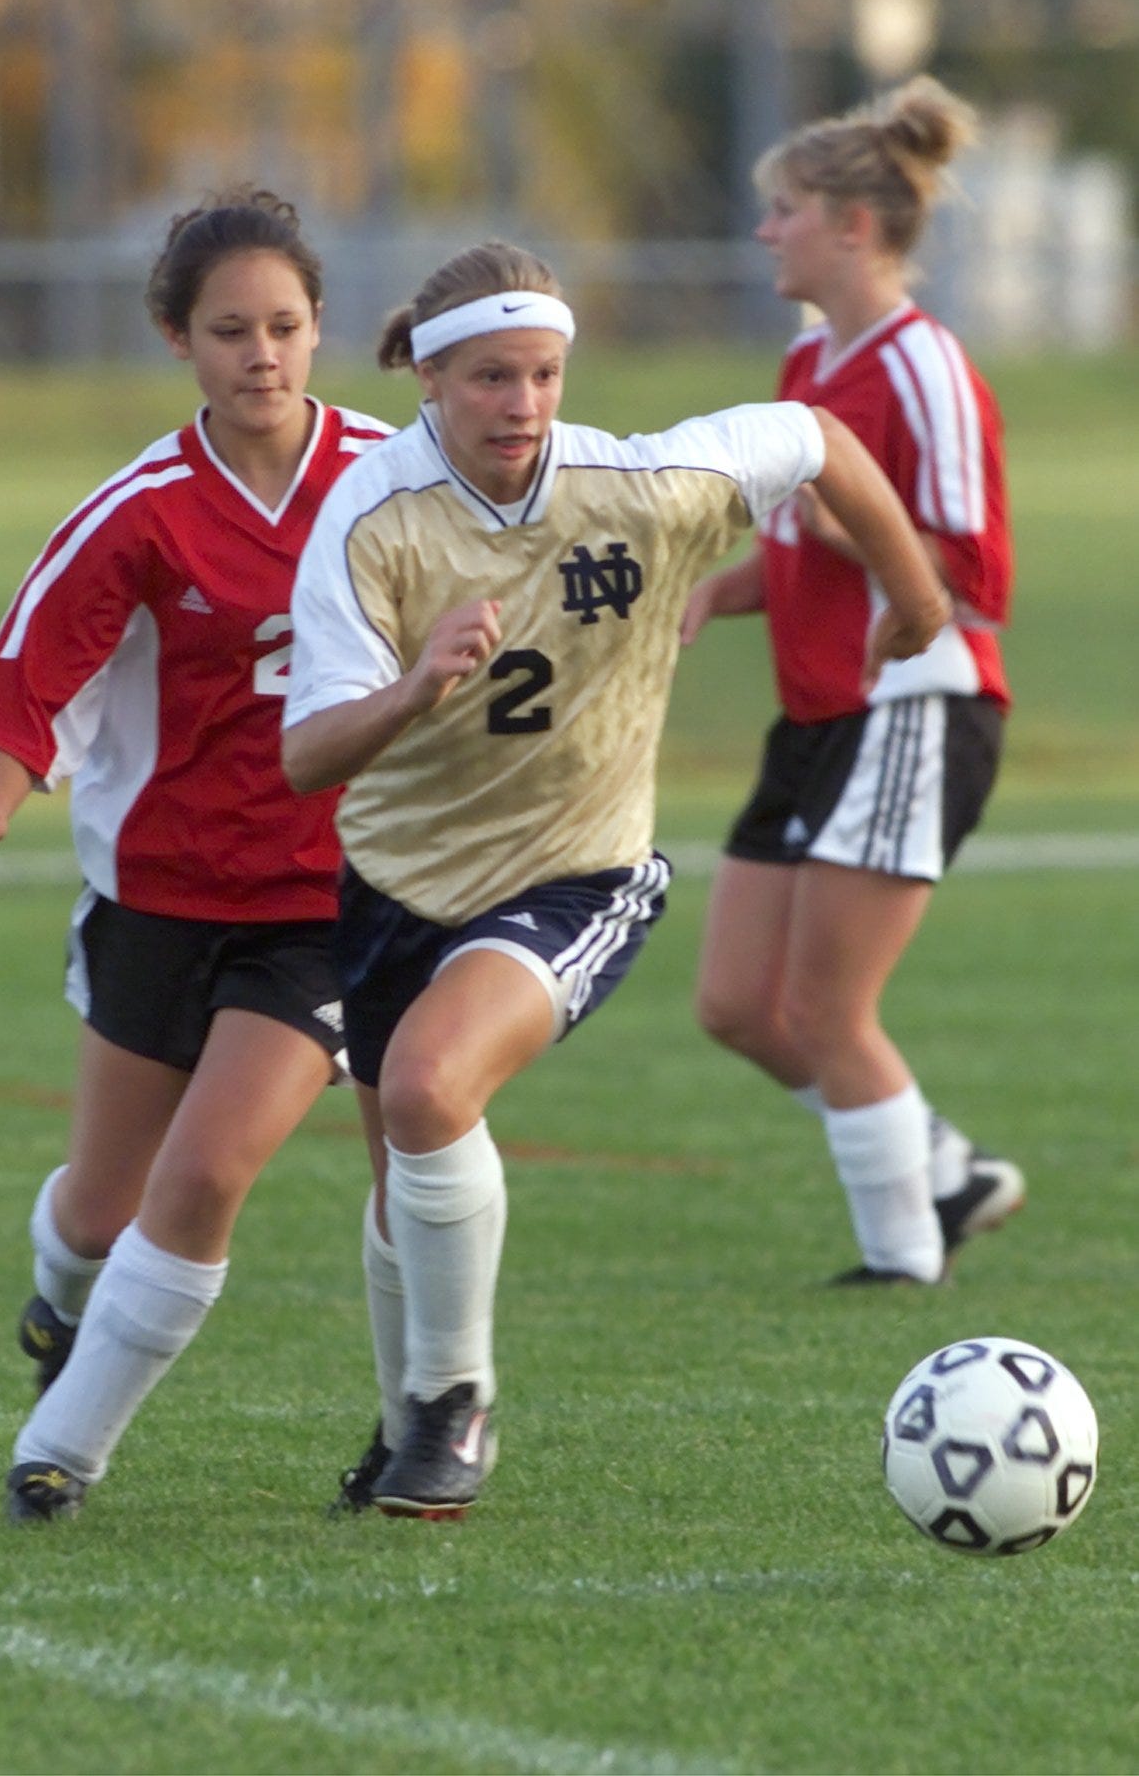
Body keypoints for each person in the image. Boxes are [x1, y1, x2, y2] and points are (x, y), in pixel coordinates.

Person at [280, 237, 951, 1521]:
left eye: (540, 374)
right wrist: (417, 684)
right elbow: (305, 753)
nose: (522, 405)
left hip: (577, 873)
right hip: (395, 884)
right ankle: (402, 1427)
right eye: (489, 378)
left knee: (427, 1086)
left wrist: (910, 596)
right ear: (430, 380)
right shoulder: (368, 521)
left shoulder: (640, 484)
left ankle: (452, 1406)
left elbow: (814, 438)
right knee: (397, 1175)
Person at [0, 187, 391, 1522]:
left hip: (321, 899)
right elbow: (34, 673)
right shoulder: (139, 511)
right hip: (158, 900)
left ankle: (61, 1452)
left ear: (319, 331)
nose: (262, 353)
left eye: (287, 326)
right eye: (230, 329)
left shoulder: (387, 478)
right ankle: (58, 1306)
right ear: (178, 339)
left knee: (205, 1177)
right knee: (97, 1210)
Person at [680, 77, 1024, 1288]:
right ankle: (937, 1165)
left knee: (826, 1009)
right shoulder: (803, 359)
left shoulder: (920, 365)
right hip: (818, 715)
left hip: (914, 705)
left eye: (784, 209)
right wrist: (714, 592)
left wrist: (843, 524)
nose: (765, 230)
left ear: (852, 227)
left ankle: (901, 1259)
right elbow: (797, 546)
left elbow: (971, 572)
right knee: (734, 1004)